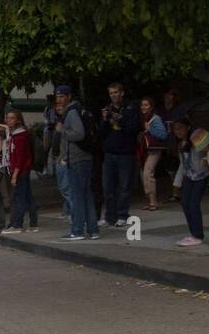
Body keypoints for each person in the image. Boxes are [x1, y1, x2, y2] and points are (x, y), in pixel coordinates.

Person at [59, 87, 99, 241]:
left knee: (77, 196)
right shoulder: (78, 109)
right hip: (85, 157)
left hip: (77, 158)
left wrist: (63, 131)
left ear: (69, 96)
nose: (59, 100)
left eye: (62, 96)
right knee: (86, 195)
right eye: (58, 97)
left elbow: (78, 133)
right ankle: (93, 229)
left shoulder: (71, 112)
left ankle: (77, 230)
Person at [98, 82, 141, 227]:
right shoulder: (107, 109)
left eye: (116, 92)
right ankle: (110, 215)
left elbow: (134, 128)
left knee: (124, 186)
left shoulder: (131, 108)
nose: (114, 95)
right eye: (111, 93)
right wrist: (105, 119)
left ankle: (122, 214)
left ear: (122, 93)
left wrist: (119, 118)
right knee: (107, 186)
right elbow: (102, 133)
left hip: (125, 152)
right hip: (110, 152)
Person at [173, 121, 209, 246]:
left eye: (180, 128)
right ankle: (193, 233)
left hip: (200, 176)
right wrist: (177, 183)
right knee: (185, 203)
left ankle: (197, 235)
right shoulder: (181, 145)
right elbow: (182, 164)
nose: (178, 131)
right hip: (189, 176)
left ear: (188, 128)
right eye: (175, 129)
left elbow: (208, 152)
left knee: (193, 203)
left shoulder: (195, 140)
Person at [1, 109, 38, 233]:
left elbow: (20, 158)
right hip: (20, 169)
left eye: (12, 118)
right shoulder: (14, 133)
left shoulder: (20, 136)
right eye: (7, 118)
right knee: (27, 196)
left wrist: (15, 175)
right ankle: (33, 223)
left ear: (18, 120)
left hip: (21, 170)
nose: (9, 120)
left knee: (19, 197)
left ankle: (17, 224)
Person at [136, 96, 169, 210]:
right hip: (144, 150)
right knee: (143, 174)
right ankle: (149, 200)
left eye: (146, 105)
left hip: (154, 150)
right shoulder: (142, 118)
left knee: (147, 173)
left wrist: (150, 129)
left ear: (151, 107)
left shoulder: (156, 119)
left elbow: (163, 135)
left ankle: (153, 201)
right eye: (142, 105)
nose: (143, 107)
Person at [44, 90, 72, 221]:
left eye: (61, 106)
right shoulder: (57, 121)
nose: (59, 108)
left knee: (66, 188)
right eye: (57, 106)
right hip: (58, 156)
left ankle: (73, 212)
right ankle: (67, 210)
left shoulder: (67, 120)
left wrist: (64, 158)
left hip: (64, 158)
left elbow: (68, 140)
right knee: (64, 187)